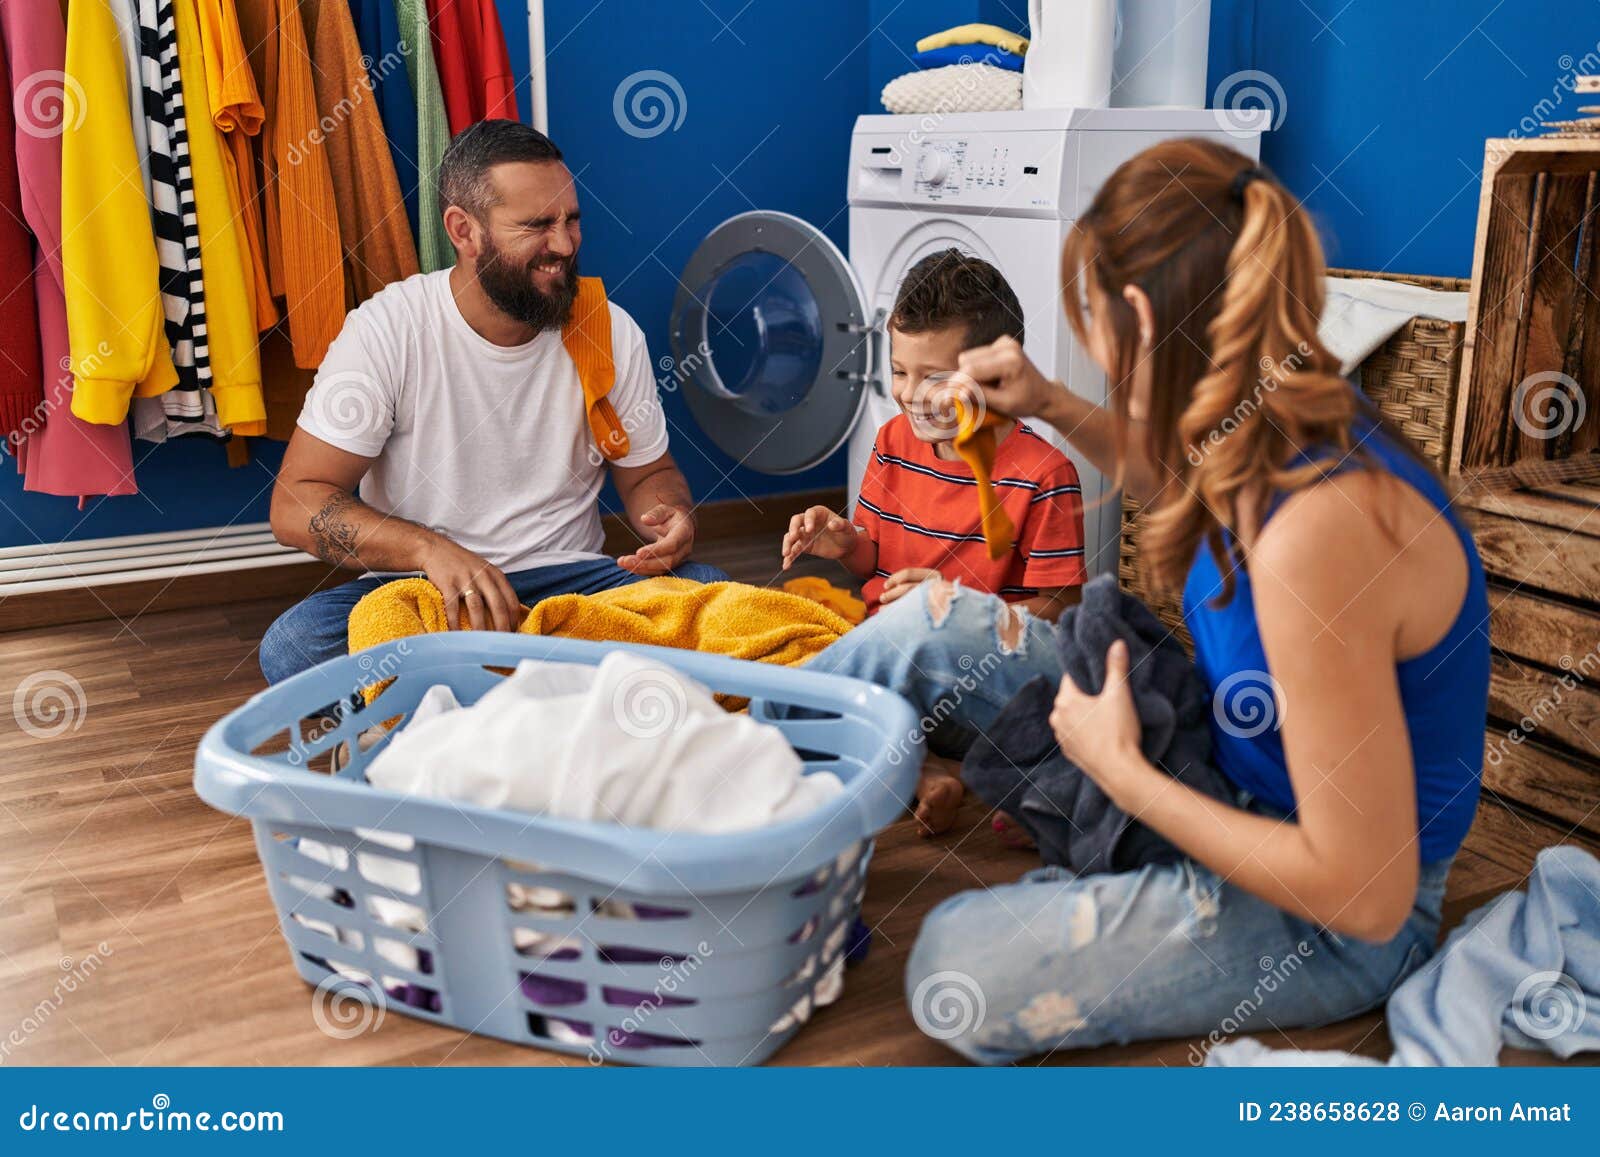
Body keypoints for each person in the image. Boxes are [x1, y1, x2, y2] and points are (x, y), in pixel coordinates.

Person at [806, 139, 1490, 1062]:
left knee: (954, 970)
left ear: (1132, 312)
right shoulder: (1274, 409)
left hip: (1339, 915)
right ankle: (706, 793)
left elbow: (1364, 889)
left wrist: (1124, 774)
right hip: (1222, 765)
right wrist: (1049, 397)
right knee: (925, 625)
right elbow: (1178, 471)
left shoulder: (1320, 534)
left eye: (1085, 319)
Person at [259, 121, 726, 685]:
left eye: (571, 220)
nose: (564, 245)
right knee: (295, 645)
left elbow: (649, 472)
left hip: (575, 585)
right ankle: (565, 687)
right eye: (536, 226)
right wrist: (429, 550)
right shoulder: (388, 329)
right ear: (464, 229)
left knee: (712, 597)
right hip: (427, 593)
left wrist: (670, 516)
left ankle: (479, 697)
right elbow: (293, 505)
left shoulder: (607, 328)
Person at [782, 249, 1088, 835]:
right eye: (900, 371)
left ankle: (867, 749)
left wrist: (953, 606)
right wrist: (846, 544)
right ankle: (928, 768)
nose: (910, 395)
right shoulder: (895, 440)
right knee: (773, 629)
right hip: (886, 665)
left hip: (965, 682)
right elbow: (878, 560)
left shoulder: (1043, 475)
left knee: (807, 700)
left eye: (934, 378)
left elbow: (1055, 621)